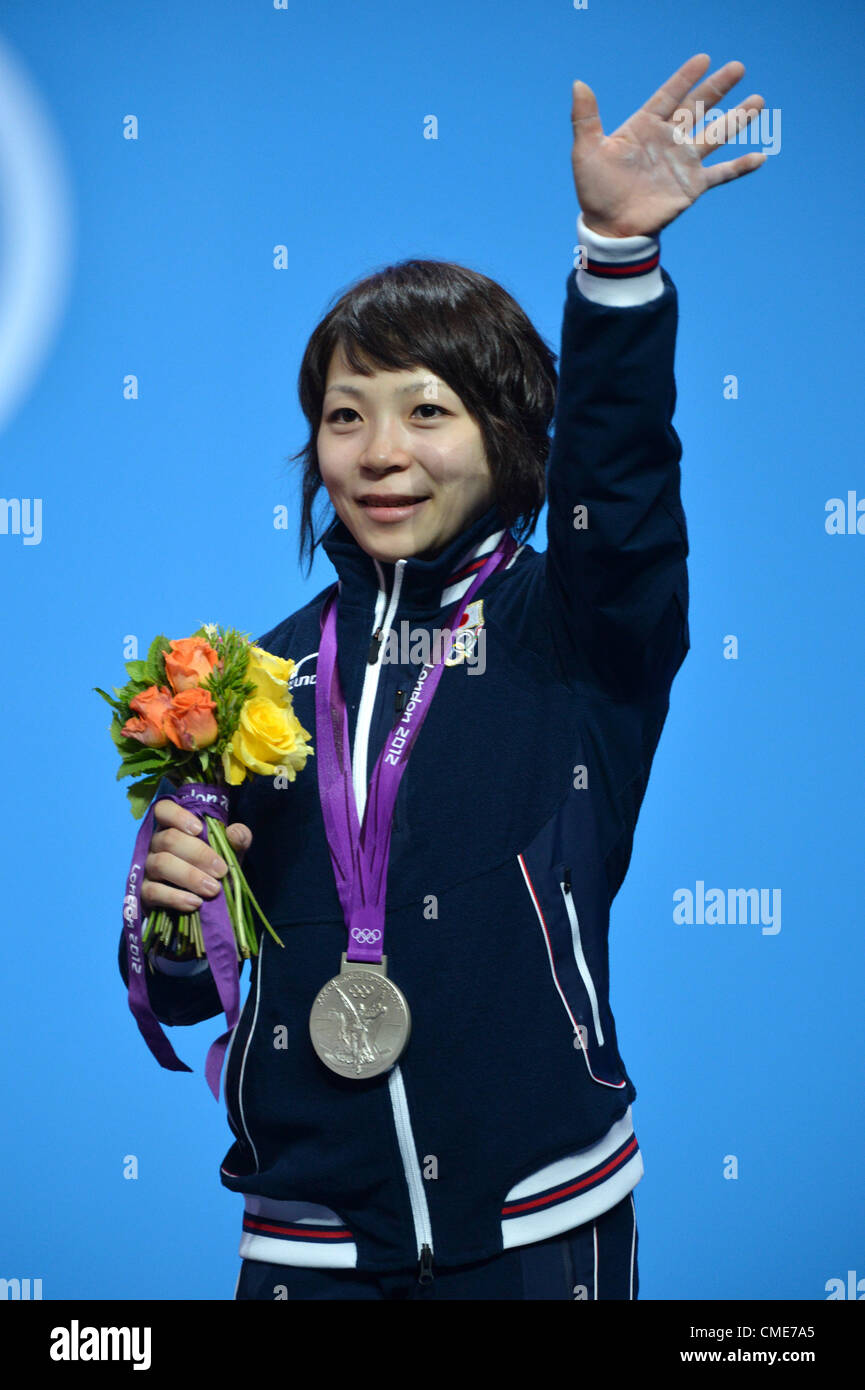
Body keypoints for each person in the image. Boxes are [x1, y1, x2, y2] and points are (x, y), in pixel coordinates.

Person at [120, 54, 766, 1300]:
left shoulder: (574, 631)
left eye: (426, 413)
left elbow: (621, 502)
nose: (378, 454)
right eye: (345, 416)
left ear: (508, 435)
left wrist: (617, 268)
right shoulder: (250, 682)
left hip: (540, 1230)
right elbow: (193, 989)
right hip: (306, 1245)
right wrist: (169, 908)